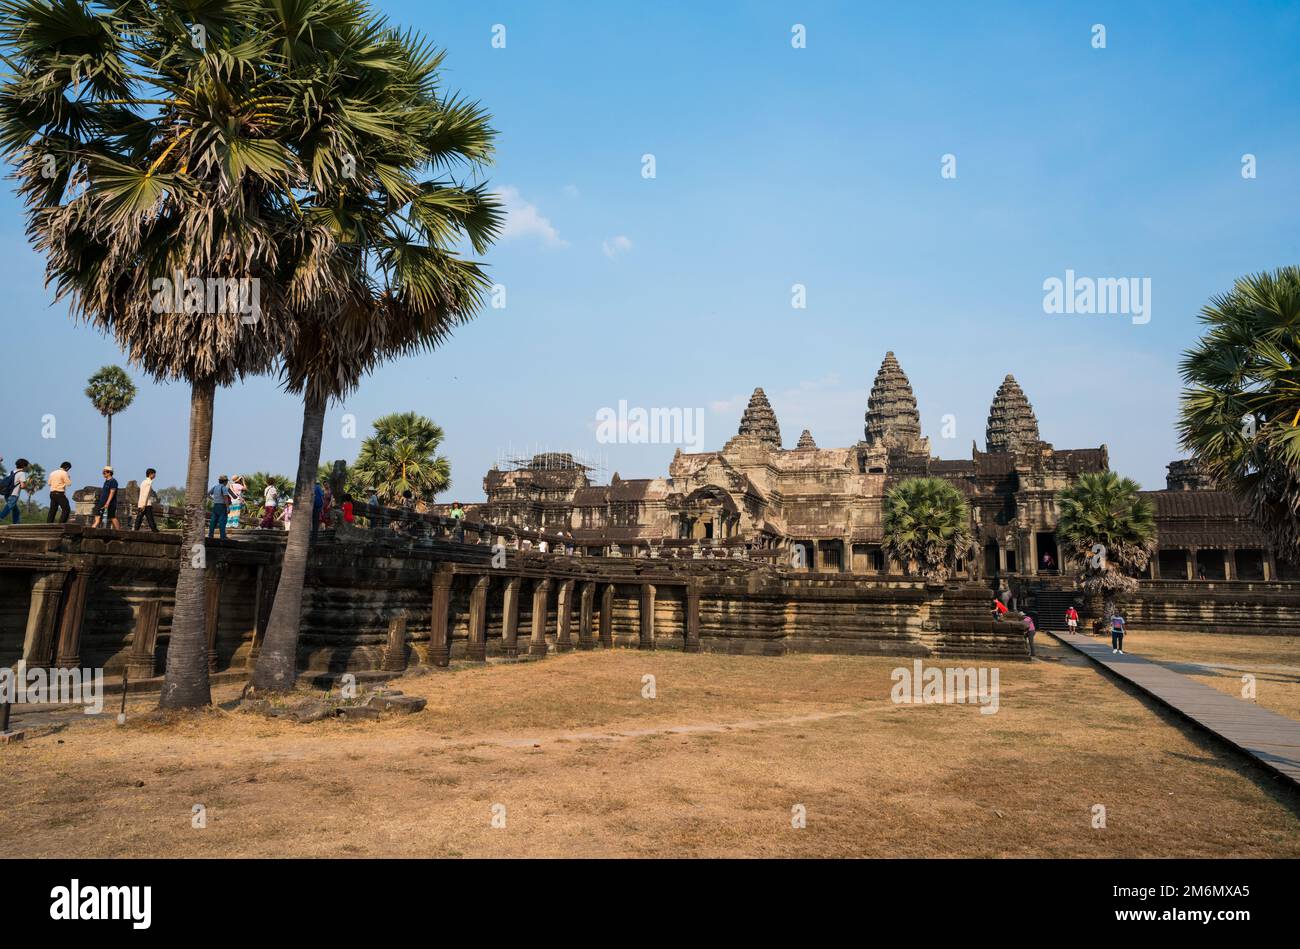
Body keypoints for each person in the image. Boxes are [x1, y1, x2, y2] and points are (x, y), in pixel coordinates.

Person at [0, 458, 28, 524]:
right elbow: (22, 486)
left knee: (16, 511)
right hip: (14, 495)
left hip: (7, 493)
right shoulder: (21, 473)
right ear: (24, 466)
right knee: (8, 508)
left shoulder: (12, 472)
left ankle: (16, 524)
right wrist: (27, 485)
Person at [133, 467, 159, 532]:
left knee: (139, 518)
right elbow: (146, 494)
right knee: (150, 518)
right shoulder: (149, 482)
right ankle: (155, 530)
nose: (155, 475)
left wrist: (141, 504)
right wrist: (144, 505)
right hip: (146, 504)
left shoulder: (143, 482)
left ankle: (136, 530)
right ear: (150, 474)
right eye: (154, 474)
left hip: (141, 503)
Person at [208, 475, 231, 540]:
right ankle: (222, 536)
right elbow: (225, 498)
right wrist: (228, 507)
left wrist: (213, 499)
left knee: (213, 521)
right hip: (222, 506)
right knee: (222, 521)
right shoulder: (224, 488)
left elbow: (208, 494)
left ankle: (210, 535)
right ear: (225, 481)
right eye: (226, 481)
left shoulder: (215, 487)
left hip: (215, 505)